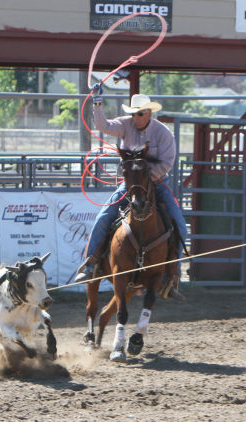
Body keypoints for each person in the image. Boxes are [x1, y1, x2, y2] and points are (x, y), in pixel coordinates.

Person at [75, 85, 187, 301]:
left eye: (139, 113)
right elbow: (103, 125)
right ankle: (91, 263)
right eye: (133, 113)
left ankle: (172, 276)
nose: (134, 117)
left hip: (155, 183)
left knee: (180, 225)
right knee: (103, 218)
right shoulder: (125, 125)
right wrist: (97, 102)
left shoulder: (163, 134)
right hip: (130, 185)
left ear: (149, 114)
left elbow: (167, 163)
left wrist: (145, 177)